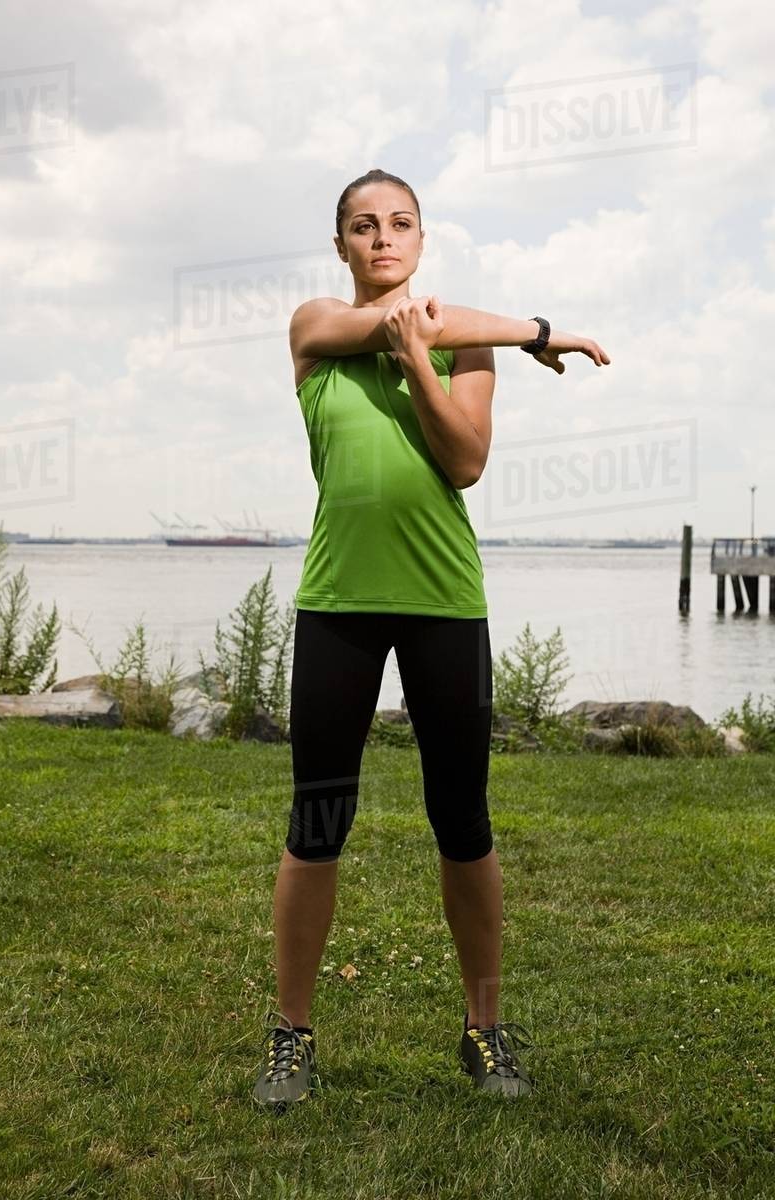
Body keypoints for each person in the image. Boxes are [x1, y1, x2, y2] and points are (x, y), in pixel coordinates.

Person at [252, 168, 610, 1113]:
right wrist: (535, 328)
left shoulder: (468, 351)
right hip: (337, 603)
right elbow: (397, 322)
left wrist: (424, 361)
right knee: (317, 824)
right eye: (363, 226)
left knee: (464, 821)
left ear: (422, 237)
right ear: (341, 246)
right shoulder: (314, 329)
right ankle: (292, 1036)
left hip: (444, 603)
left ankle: (485, 1031)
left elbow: (466, 461)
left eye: (400, 224)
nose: (382, 239)